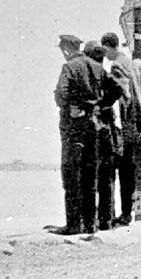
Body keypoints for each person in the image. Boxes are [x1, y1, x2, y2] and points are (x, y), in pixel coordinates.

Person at [50, 35, 104, 235]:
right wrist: (96, 106)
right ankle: (90, 224)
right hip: (93, 125)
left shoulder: (69, 67)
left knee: (72, 175)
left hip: (73, 128)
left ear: (65, 49)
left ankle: (73, 224)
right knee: (90, 176)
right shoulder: (97, 66)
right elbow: (113, 89)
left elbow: (63, 93)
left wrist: (73, 106)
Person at [100, 32, 141, 227]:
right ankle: (127, 213)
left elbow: (124, 95)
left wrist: (104, 106)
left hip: (124, 127)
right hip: (135, 126)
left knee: (117, 170)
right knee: (128, 171)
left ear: (108, 47)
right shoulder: (130, 63)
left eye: (105, 50)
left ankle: (120, 214)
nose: (104, 55)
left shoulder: (117, 65)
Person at [83, 41, 124, 231]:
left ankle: (91, 220)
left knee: (92, 175)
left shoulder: (90, 73)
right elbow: (118, 90)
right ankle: (106, 219)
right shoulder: (104, 73)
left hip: (96, 129)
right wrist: (105, 104)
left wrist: (97, 105)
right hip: (108, 128)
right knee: (107, 177)